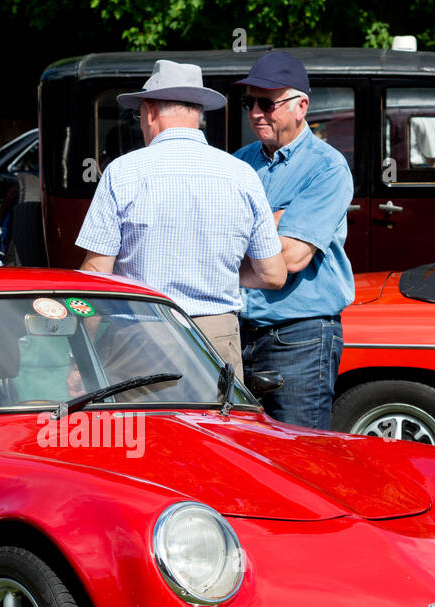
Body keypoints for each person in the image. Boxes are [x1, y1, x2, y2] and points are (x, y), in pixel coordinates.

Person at [76, 59, 285, 378]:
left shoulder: (123, 172)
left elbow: (96, 274)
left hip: (138, 335)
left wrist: (82, 355)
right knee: (212, 428)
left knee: (142, 429)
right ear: (198, 112)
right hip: (217, 338)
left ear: (149, 111)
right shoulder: (242, 174)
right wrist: (213, 270)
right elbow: (272, 275)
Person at [233, 51, 354, 431]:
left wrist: (243, 231)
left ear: (301, 106)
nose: (256, 112)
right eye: (249, 102)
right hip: (237, 329)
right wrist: (276, 220)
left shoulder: (327, 167)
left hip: (299, 336)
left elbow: (292, 257)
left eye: (267, 102)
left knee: (300, 455)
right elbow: (207, 237)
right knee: (240, 454)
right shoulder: (239, 163)